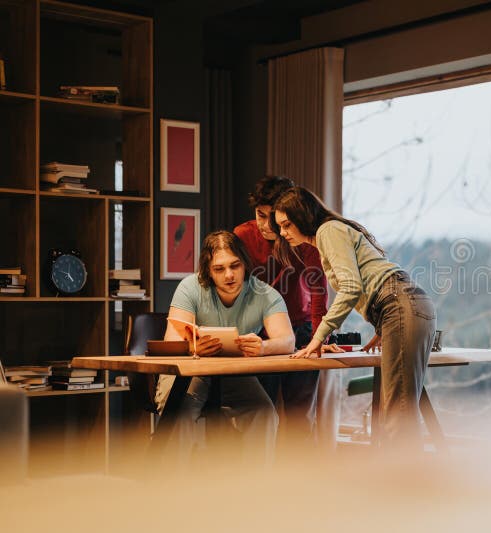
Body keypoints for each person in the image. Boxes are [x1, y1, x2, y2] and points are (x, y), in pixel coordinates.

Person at [271, 187, 437, 449]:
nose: (282, 232)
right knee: (398, 412)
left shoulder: (328, 231)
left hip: (400, 305)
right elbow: (375, 273)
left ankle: (408, 475)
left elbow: (351, 286)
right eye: (280, 226)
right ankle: (404, 472)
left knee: (399, 415)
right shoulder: (330, 234)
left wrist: (319, 336)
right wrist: (383, 327)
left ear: (303, 216)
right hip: (403, 306)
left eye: (286, 224)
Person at [156, 230, 295, 466]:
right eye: (219, 269)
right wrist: (192, 346)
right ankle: (175, 483)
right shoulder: (189, 287)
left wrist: (263, 347)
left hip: (233, 373)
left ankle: (256, 485)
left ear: (245, 264)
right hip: (190, 372)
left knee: (264, 414)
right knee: (179, 412)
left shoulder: (264, 294)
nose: (229, 275)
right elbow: (172, 340)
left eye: (235, 266)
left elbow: (288, 341)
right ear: (208, 271)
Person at [234, 175, 337, 446]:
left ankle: (297, 472)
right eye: (260, 215)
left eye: (273, 218)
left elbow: (319, 292)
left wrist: (319, 338)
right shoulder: (243, 236)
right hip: (258, 333)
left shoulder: (302, 240)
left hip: (300, 329)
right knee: (261, 413)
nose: (266, 225)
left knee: (299, 418)